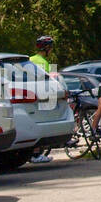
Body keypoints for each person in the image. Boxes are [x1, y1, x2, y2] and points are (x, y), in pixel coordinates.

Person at [28, 36, 61, 164]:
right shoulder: (43, 62)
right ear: (46, 48)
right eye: (51, 47)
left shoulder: (30, 59)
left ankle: (35, 153)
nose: (51, 50)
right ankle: (36, 154)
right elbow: (48, 81)